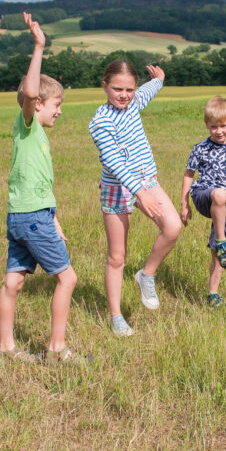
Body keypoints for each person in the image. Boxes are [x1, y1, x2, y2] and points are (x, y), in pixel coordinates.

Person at [0, 13, 81, 363]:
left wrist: (54, 221)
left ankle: (5, 349)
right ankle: (56, 350)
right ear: (38, 104)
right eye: (57, 105)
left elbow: (40, 185)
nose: (59, 111)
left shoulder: (37, 136)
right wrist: (39, 46)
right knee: (68, 279)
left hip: (24, 216)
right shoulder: (28, 123)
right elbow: (30, 91)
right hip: (31, 219)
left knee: (13, 283)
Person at [88, 60, 182, 335]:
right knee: (117, 256)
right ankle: (117, 317)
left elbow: (148, 90)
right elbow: (112, 161)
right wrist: (139, 193)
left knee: (173, 227)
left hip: (146, 180)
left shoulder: (134, 103)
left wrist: (160, 78)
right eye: (117, 89)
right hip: (117, 188)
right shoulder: (100, 121)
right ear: (104, 86)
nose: (124, 95)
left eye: (129, 89)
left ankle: (147, 274)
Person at [179, 95, 226, 307]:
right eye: (213, 127)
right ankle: (222, 242)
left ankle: (213, 294)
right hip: (203, 194)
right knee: (219, 194)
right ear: (206, 125)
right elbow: (188, 174)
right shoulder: (200, 148)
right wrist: (184, 204)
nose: (219, 131)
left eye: (223, 126)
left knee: (219, 253)